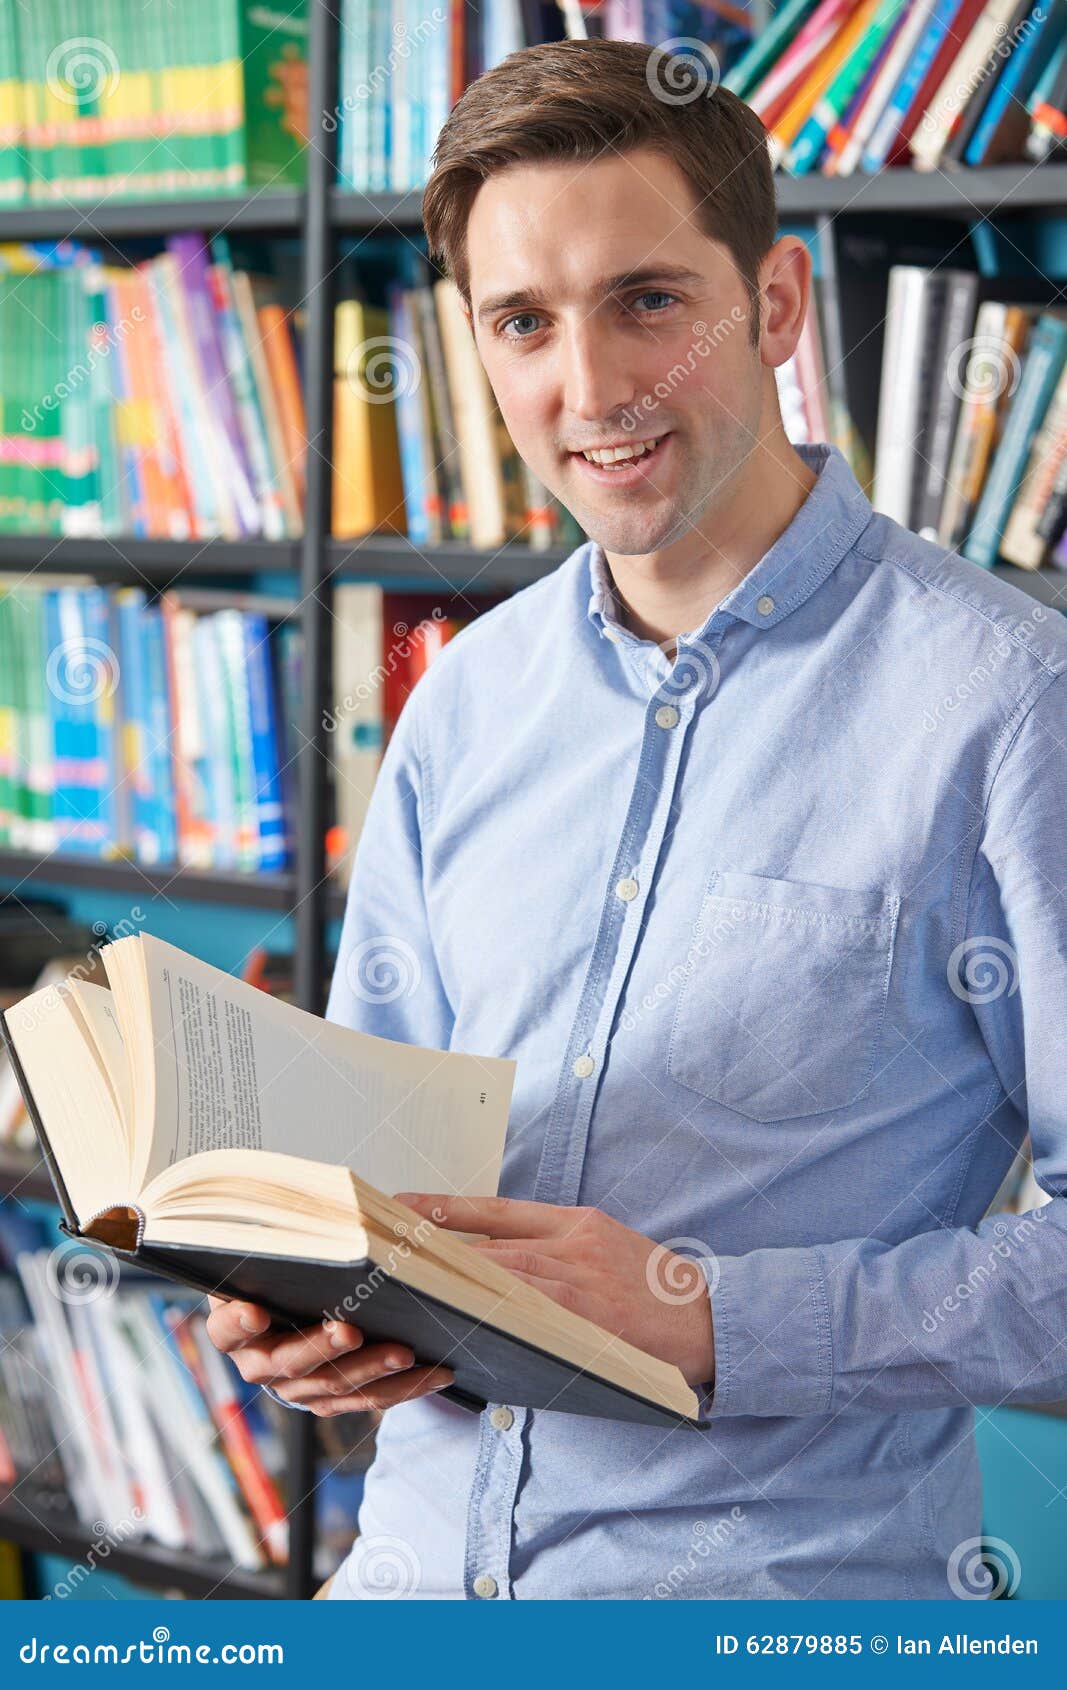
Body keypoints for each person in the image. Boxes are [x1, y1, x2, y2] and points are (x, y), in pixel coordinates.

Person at [206, 38, 1067, 1600]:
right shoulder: (461, 702)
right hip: (406, 1584)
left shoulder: (1010, 707)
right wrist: (299, 1296)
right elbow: (365, 1164)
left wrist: (710, 1316)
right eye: (523, 322)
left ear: (778, 304)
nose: (591, 390)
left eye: (649, 301)